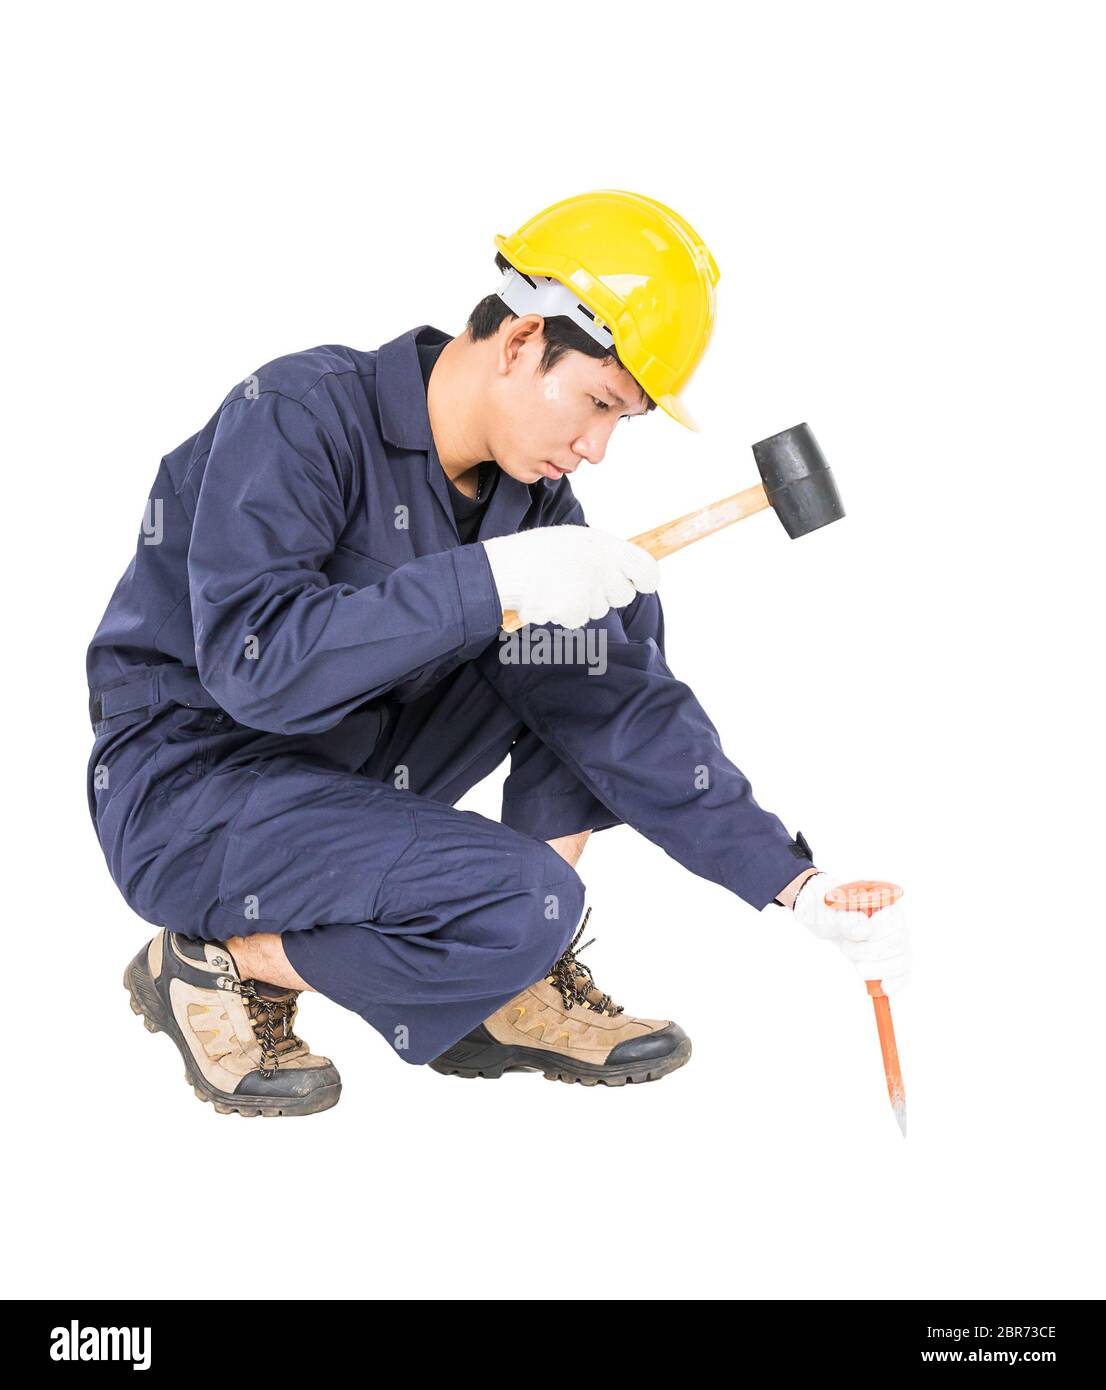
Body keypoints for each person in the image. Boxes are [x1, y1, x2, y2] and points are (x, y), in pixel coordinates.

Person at [87, 189, 910, 1117]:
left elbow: (622, 714)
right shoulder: (297, 413)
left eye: (623, 421)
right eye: (597, 403)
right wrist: (488, 583)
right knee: (523, 894)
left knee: (606, 614)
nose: (597, 447)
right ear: (521, 340)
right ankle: (220, 964)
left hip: (340, 792)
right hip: (191, 792)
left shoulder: (534, 506)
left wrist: (799, 885)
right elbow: (257, 667)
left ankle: (515, 974)